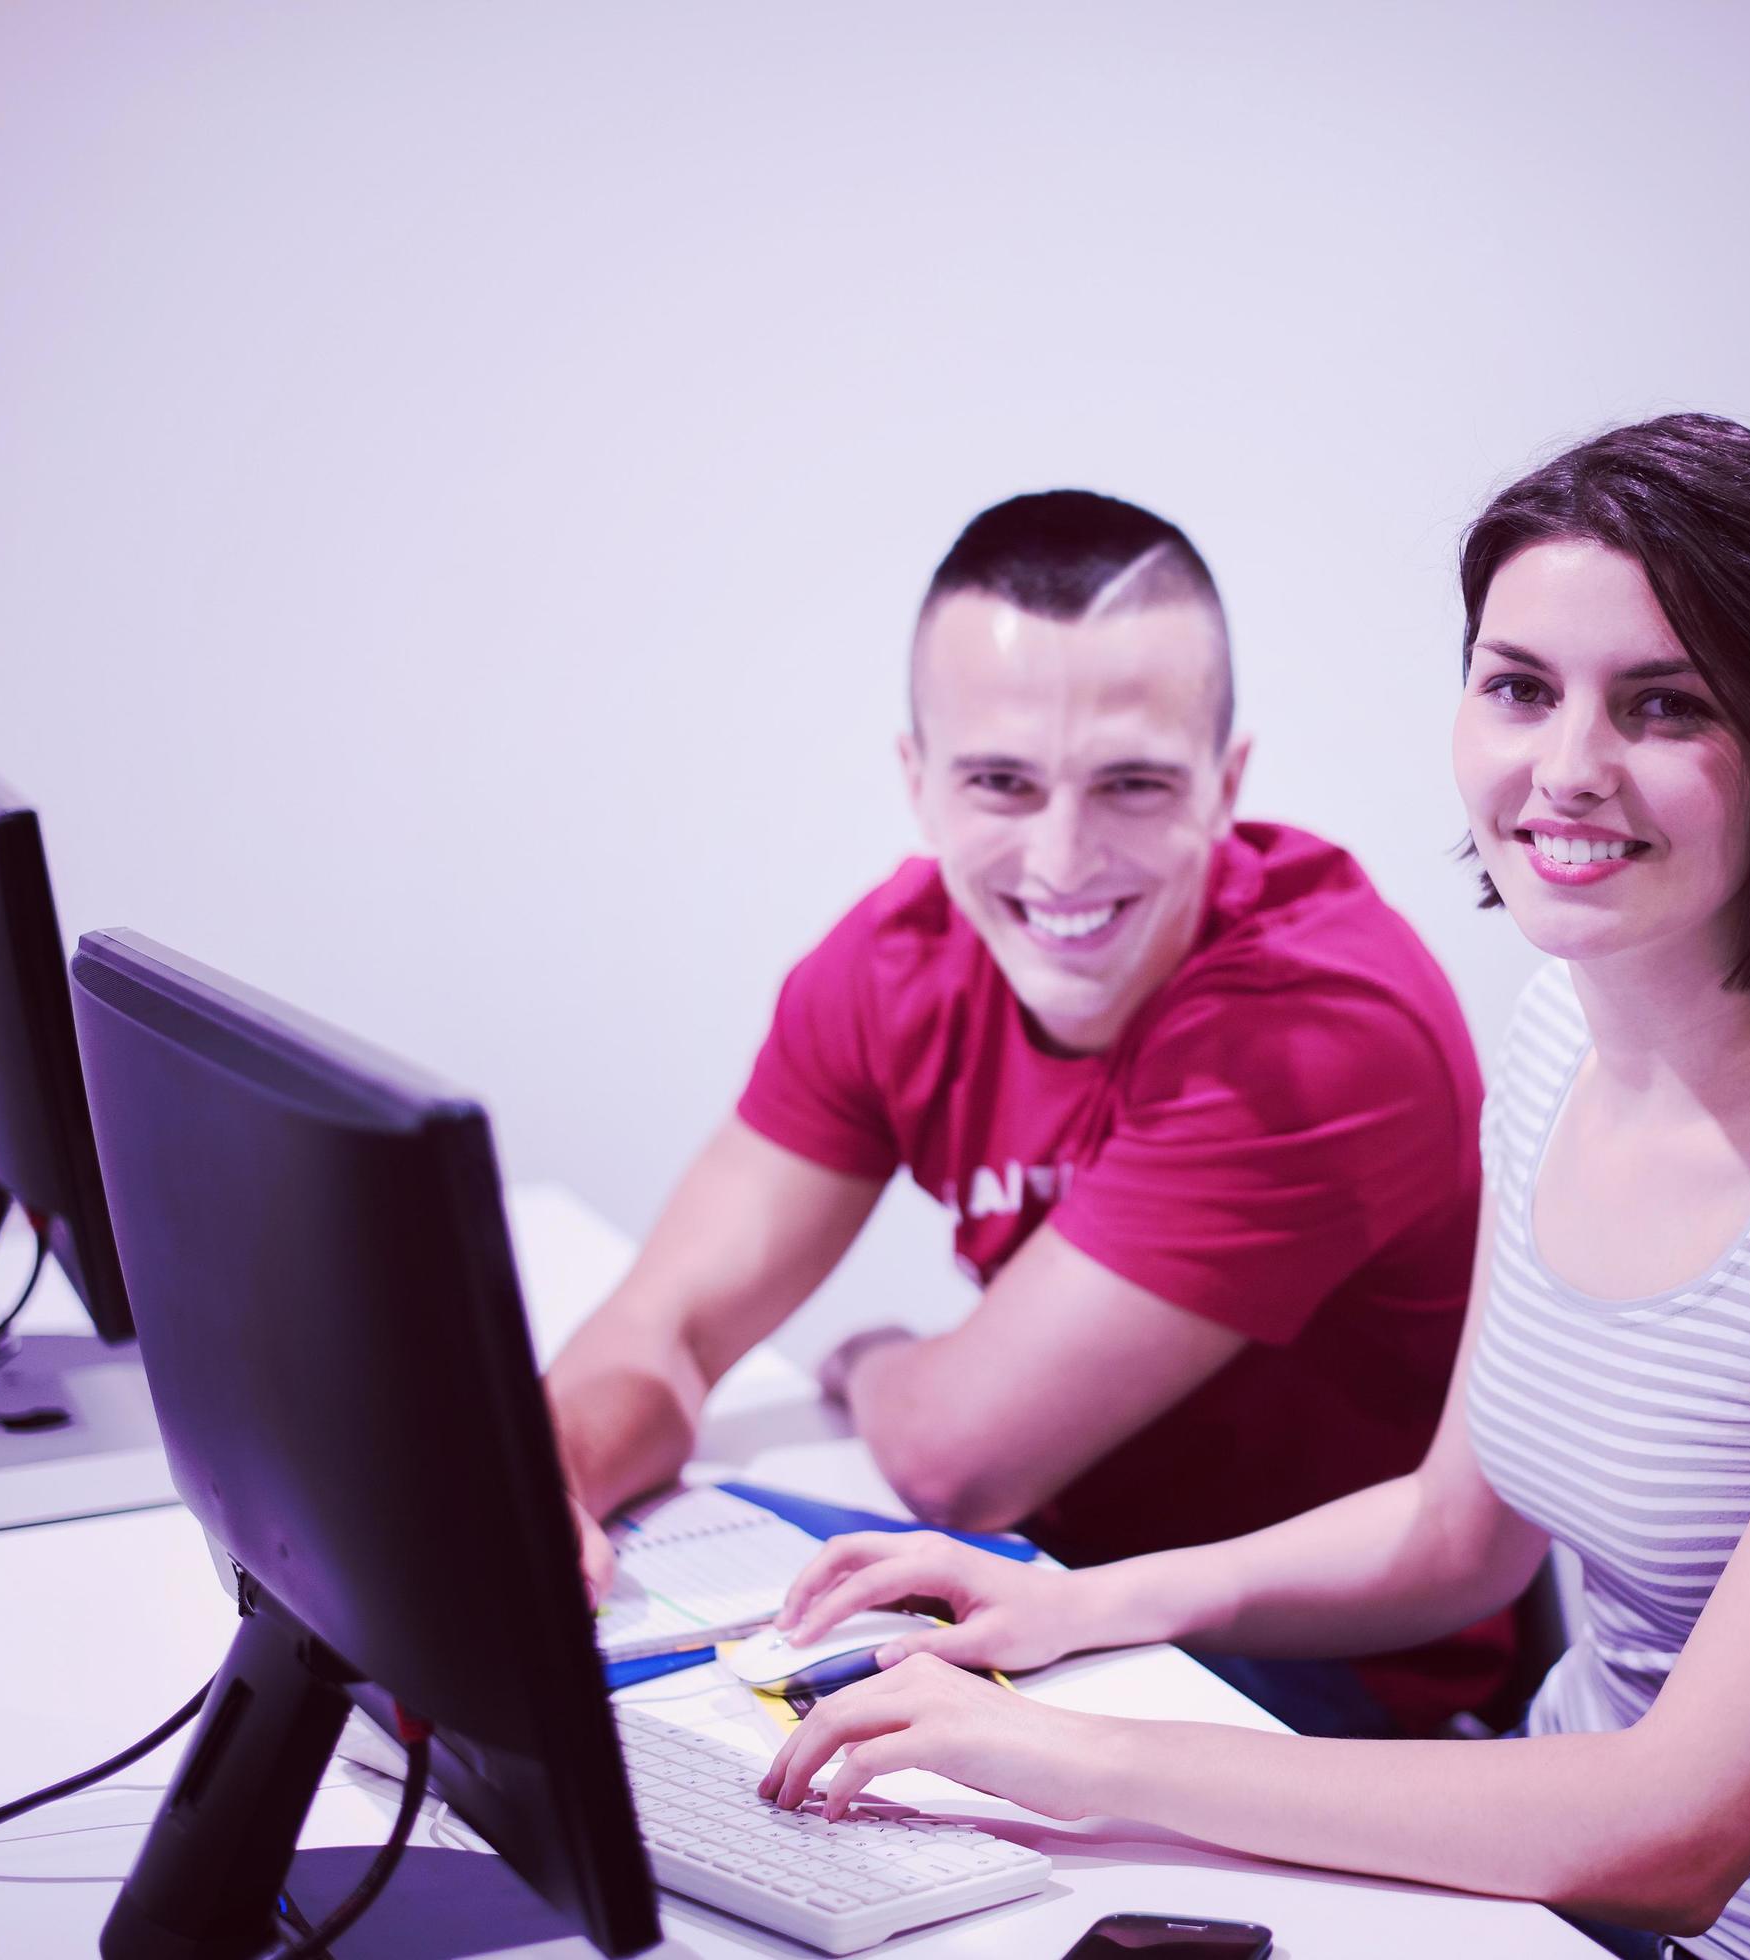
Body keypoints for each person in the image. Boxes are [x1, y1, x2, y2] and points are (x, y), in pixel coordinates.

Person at [754, 416, 1750, 1960]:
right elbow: (1457, 1536)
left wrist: (1074, 1759)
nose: (1567, 769)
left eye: (1666, 705)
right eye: (1520, 688)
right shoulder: (1557, 1042)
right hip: (1534, 1909)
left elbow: (1682, 1833)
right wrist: (1078, 1607)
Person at [545, 489, 1514, 1738]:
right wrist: (545, 1484)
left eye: (1130, 784)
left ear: (1224, 785)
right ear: (918, 782)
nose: (1061, 860)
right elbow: (662, 1326)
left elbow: (959, 1458)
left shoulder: (1318, 1028)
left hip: (1313, 1680)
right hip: (1037, 1586)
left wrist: (870, 1359)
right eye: (1002, 782)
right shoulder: (893, 963)